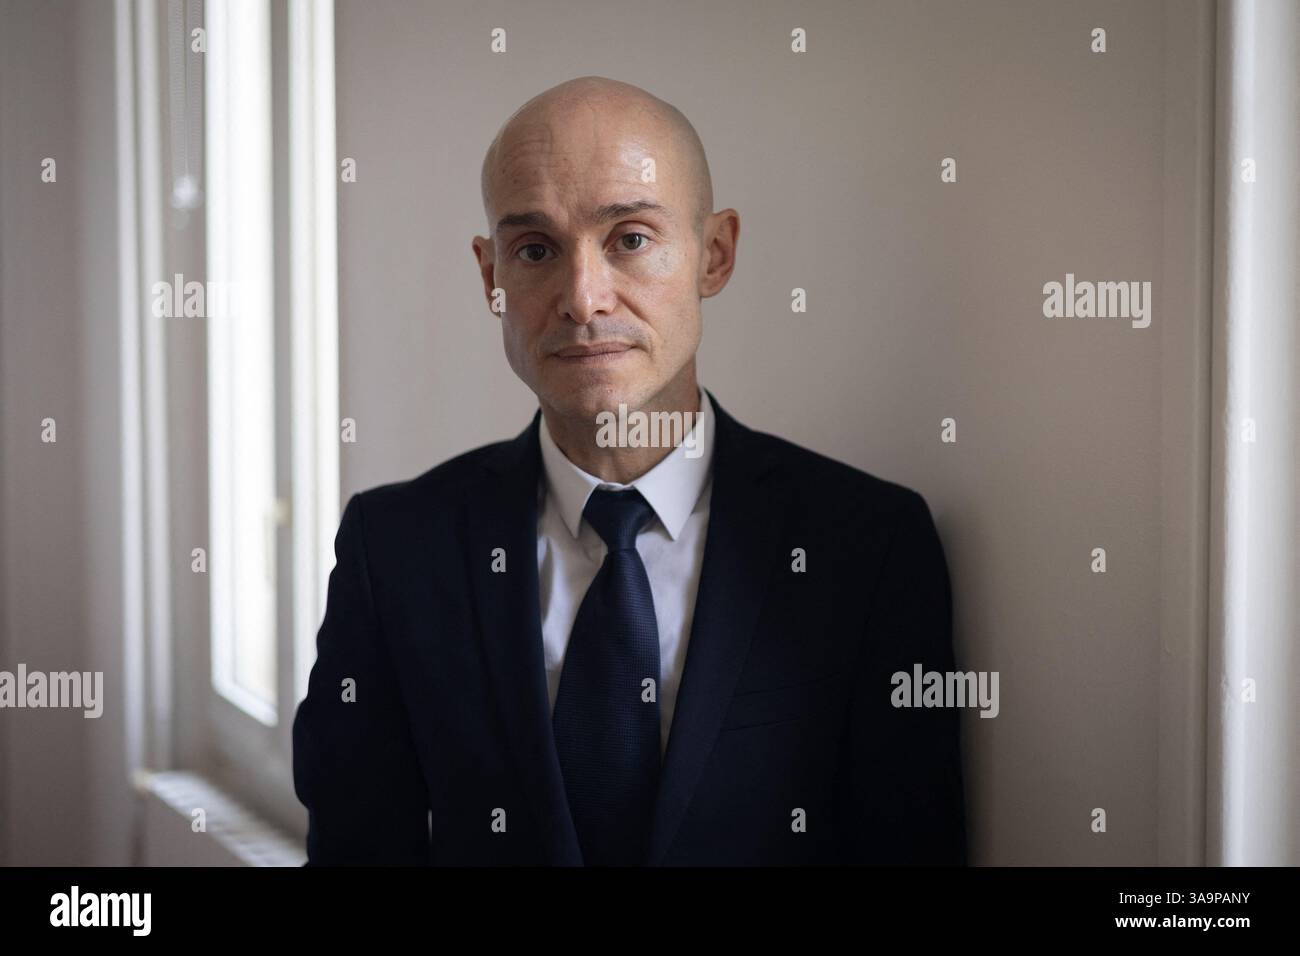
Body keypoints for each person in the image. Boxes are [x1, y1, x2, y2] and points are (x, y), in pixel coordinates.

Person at [292, 76, 966, 865]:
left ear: (714, 255)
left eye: (631, 239)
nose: (582, 298)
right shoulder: (396, 549)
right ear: (492, 277)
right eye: (536, 250)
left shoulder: (867, 546)